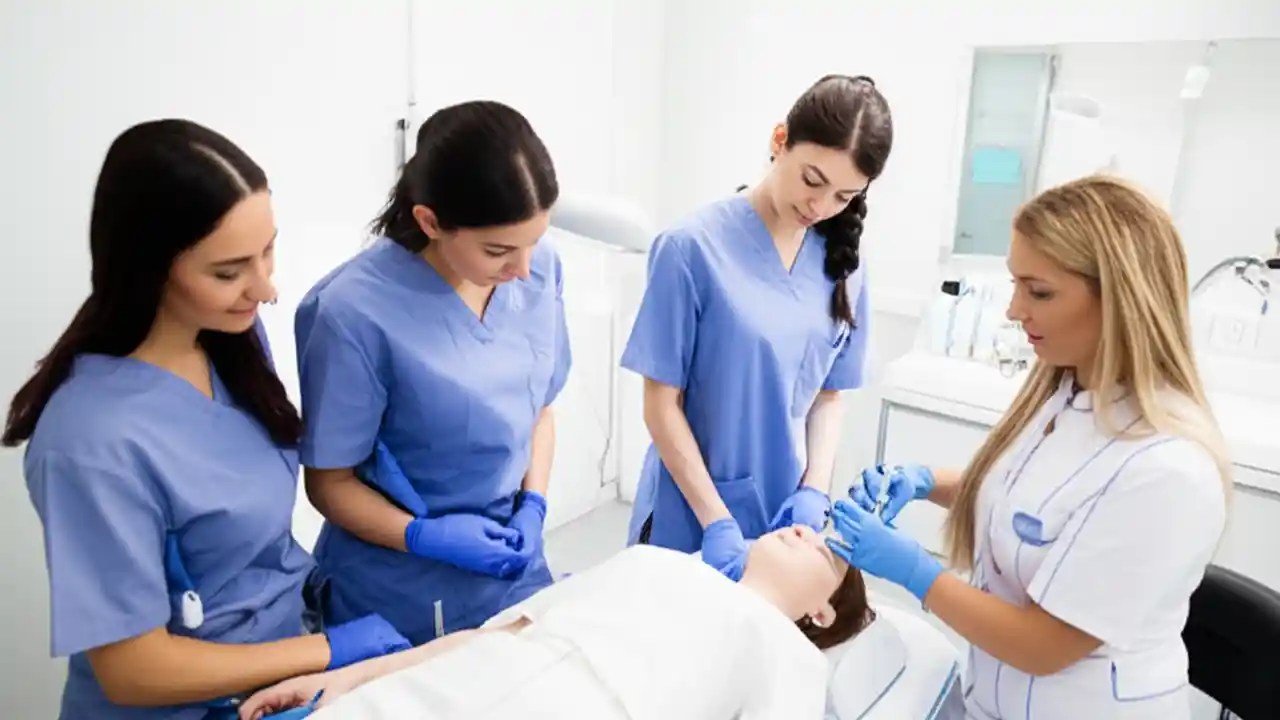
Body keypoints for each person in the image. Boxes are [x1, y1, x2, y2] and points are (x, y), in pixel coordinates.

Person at [3, 120, 410, 720]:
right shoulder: (88, 443)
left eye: (268, 250)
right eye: (229, 272)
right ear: (149, 267)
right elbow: (134, 671)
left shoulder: (231, 343)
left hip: (285, 672)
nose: (266, 288)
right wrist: (325, 650)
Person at [829, 175, 1231, 719]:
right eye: (1015, 284)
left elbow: (1042, 646)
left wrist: (912, 570)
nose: (1014, 311)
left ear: (1119, 298)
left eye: (1038, 291)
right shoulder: (1068, 388)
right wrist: (926, 480)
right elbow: (1030, 508)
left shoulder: (1169, 470)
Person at [294, 100, 572, 646]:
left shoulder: (540, 269)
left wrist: (534, 503)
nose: (523, 270)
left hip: (510, 572)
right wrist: (423, 537)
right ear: (430, 221)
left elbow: (539, 411)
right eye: (498, 250)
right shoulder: (353, 313)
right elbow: (329, 484)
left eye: (533, 242)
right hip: (399, 591)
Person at [619, 74, 892, 581]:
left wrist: (814, 488)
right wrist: (716, 521)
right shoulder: (691, 248)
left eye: (844, 196)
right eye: (813, 180)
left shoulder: (846, 266)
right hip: (689, 511)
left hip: (783, 521)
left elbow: (828, 395)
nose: (821, 207)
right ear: (779, 140)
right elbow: (660, 405)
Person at [237, 525, 871, 720]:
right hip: (459, 684)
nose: (806, 531)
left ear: (820, 612)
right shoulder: (654, 559)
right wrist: (349, 680)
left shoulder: (791, 654)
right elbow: (493, 634)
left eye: (829, 552)